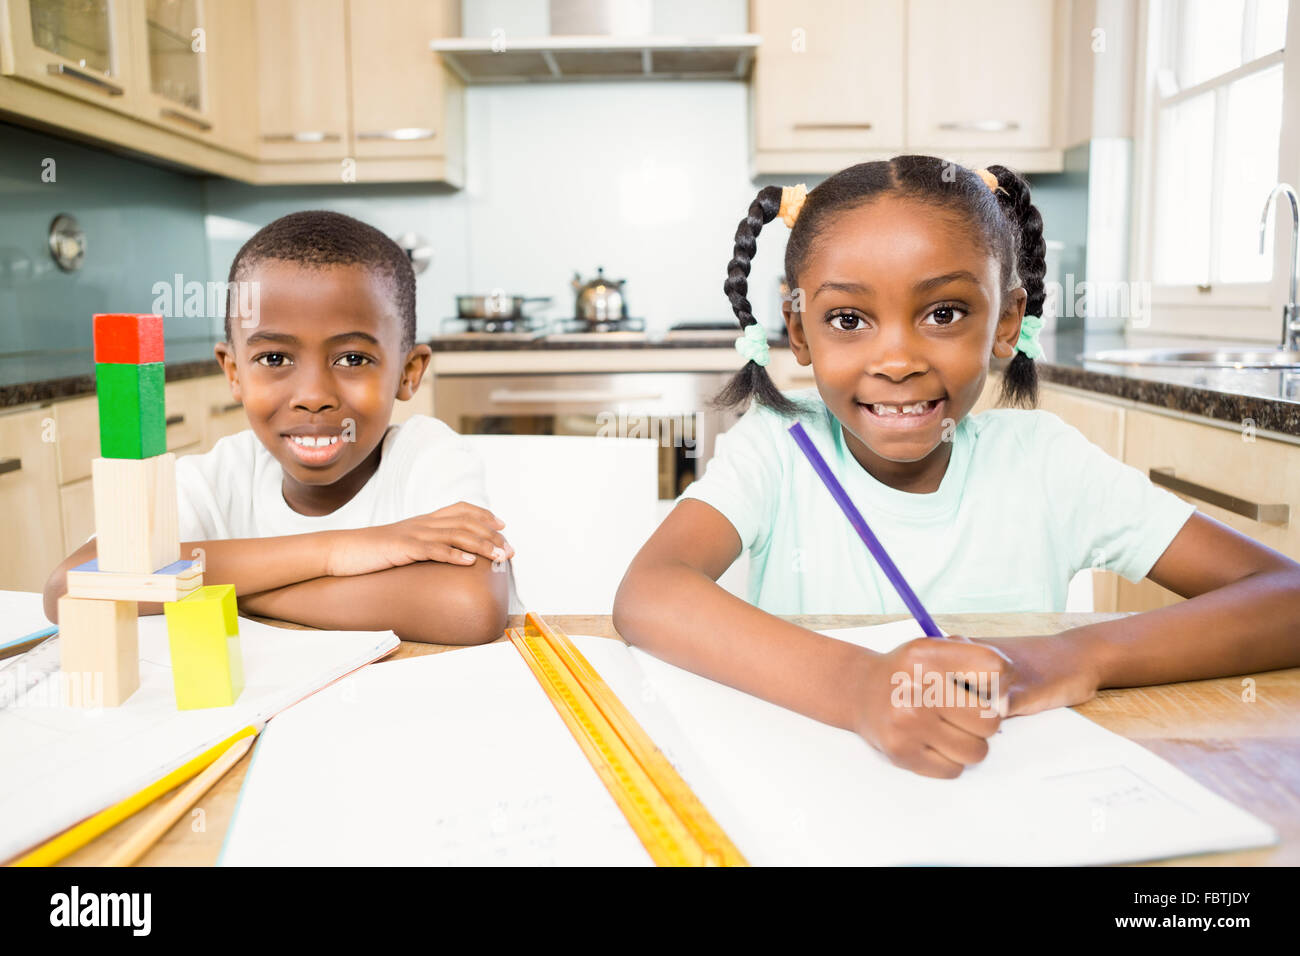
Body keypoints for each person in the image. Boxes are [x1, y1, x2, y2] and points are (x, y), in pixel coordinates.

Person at [613, 155, 1300, 778]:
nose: (898, 359)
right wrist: (858, 688)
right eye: (849, 320)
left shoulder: (1047, 463)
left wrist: (1067, 658)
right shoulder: (779, 445)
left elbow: (1286, 598)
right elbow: (649, 593)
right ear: (799, 333)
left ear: (1006, 321)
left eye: (943, 313)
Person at [45, 210, 512, 644]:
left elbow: (469, 608)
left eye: (352, 358)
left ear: (408, 372)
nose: (312, 395)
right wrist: (336, 552)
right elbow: (71, 588)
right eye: (274, 358)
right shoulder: (216, 476)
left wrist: (232, 590)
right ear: (233, 373)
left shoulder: (427, 456)